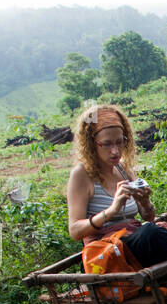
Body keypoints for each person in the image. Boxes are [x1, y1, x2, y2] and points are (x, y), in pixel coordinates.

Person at [66, 104, 156, 244]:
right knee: (152, 233)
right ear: (91, 144)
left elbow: (148, 217)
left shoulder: (123, 169)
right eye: (107, 144)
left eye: (119, 142)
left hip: (135, 238)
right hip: (110, 249)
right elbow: (75, 231)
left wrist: (145, 202)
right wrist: (112, 210)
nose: (115, 151)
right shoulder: (81, 174)